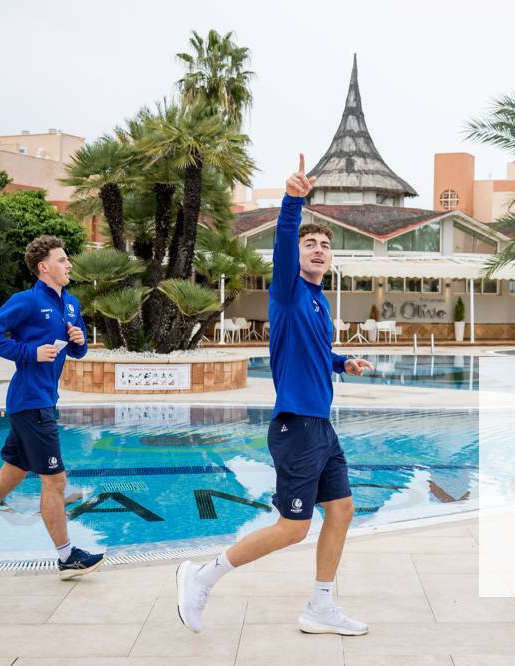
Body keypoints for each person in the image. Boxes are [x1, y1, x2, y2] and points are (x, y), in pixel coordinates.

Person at [176, 155, 374, 635]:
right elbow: (284, 239)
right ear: (299, 254)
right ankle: (202, 577)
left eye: (325, 245)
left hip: (320, 427)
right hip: (297, 426)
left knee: (342, 509)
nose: (318, 249)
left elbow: (310, 352)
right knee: (293, 528)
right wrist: (292, 201)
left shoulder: (318, 301)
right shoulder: (287, 289)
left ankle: (320, 607)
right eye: (311, 244)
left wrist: (340, 362)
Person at [0, 235, 105, 580]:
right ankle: (67, 556)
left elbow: (79, 352)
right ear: (44, 268)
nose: (68, 264)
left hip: (42, 400)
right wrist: (29, 353)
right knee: (55, 482)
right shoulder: (26, 301)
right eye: (62, 260)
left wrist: (79, 341)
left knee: (10, 475)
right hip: (30, 402)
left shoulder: (70, 303)